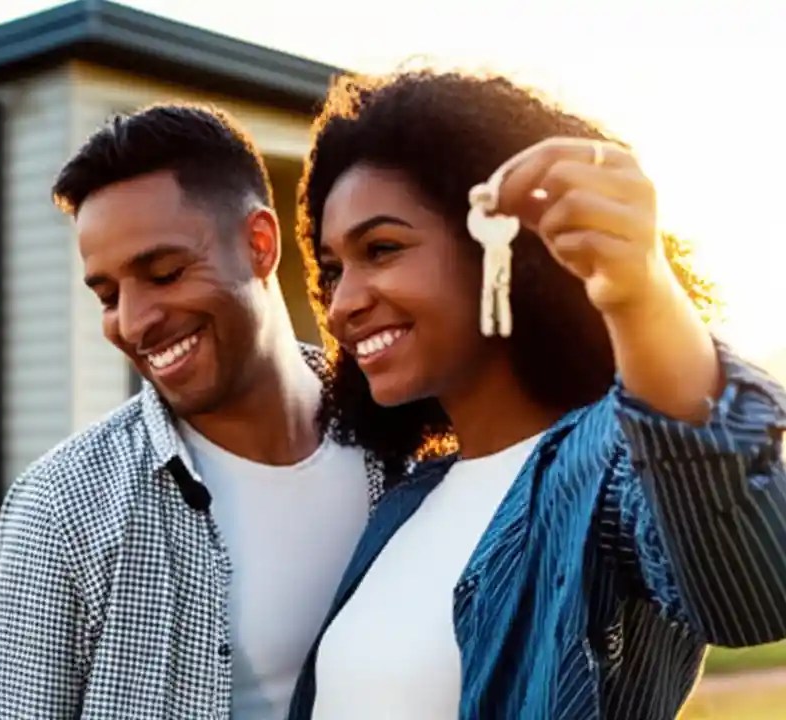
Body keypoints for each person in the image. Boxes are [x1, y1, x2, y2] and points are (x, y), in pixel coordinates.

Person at [285, 71, 786, 719]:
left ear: (502, 249)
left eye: (382, 248)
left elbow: (754, 590)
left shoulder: (605, 467)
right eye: (332, 270)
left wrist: (640, 291)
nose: (343, 302)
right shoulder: (403, 504)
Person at [0, 103, 382, 719]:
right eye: (108, 295)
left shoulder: (403, 438)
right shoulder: (61, 510)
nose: (134, 323)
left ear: (259, 244)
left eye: (164, 273)